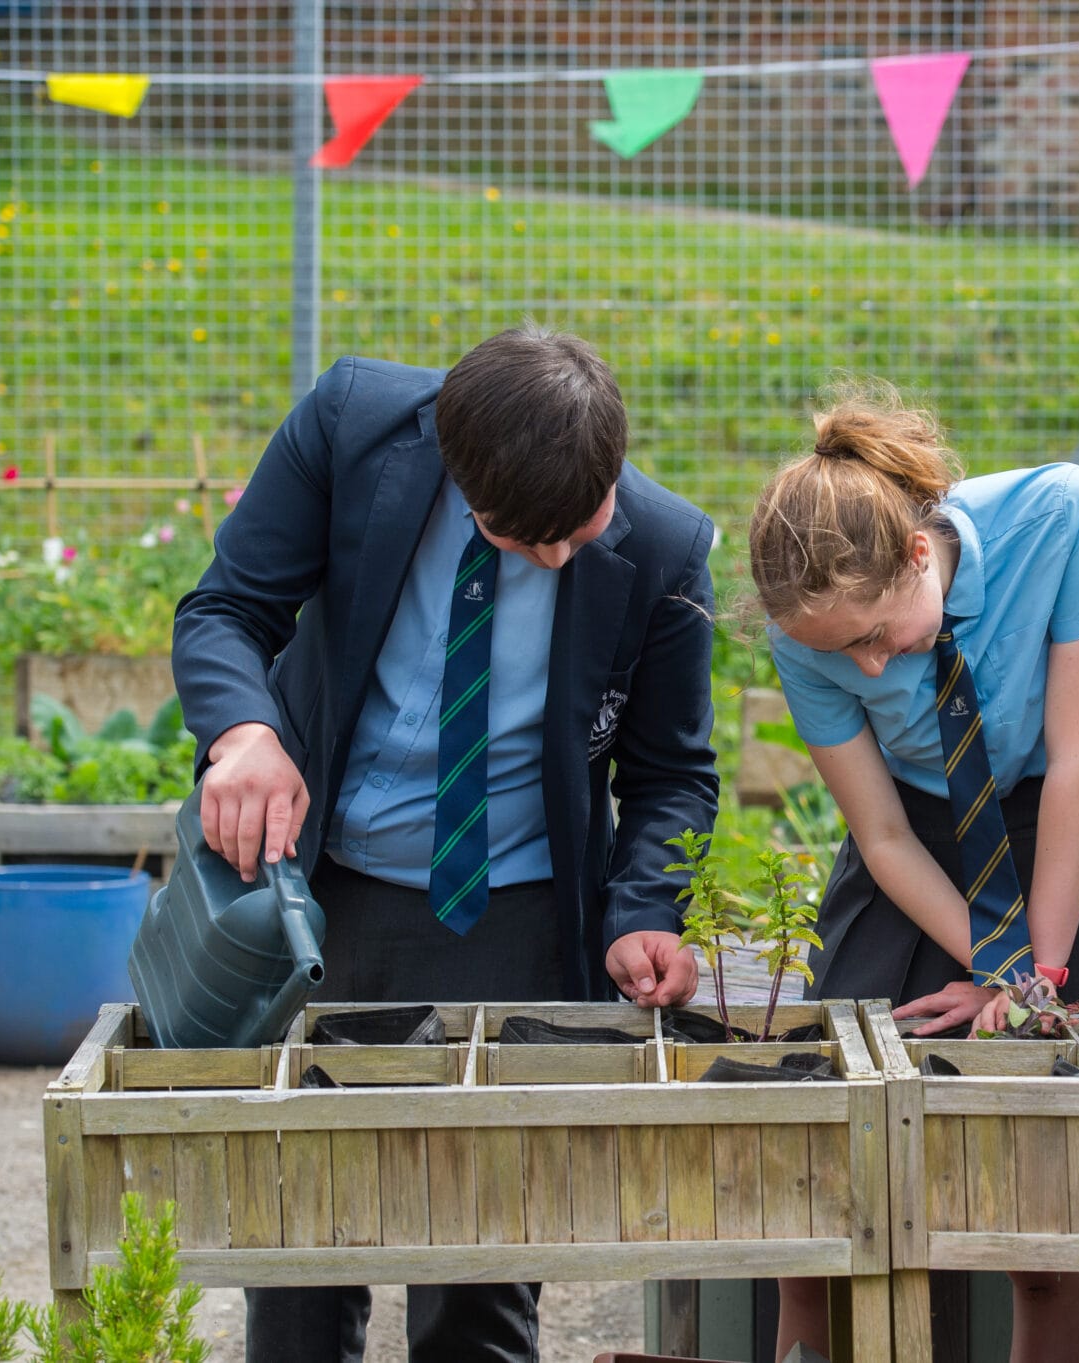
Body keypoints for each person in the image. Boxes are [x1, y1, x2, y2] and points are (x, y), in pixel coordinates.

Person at [172, 323, 720, 1363]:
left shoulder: (662, 546)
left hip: (509, 907)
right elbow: (225, 610)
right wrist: (242, 734)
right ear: (452, 469)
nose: (560, 556)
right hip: (319, 887)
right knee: (299, 1247)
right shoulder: (354, 425)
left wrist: (642, 909)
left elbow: (671, 778)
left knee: (480, 1261)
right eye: (528, 539)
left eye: (579, 527)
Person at [749, 384, 1079, 1363]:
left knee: (1045, 1202)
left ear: (919, 553)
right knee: (829, 1178)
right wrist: (992, 955)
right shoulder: (805, 631)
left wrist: (1031, 979)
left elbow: (1076, 768)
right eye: (843, 654)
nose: (871, 670)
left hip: (1055, 818)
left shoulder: (1059, 515)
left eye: (875, 635)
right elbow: (880, 835)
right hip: (913, 843)